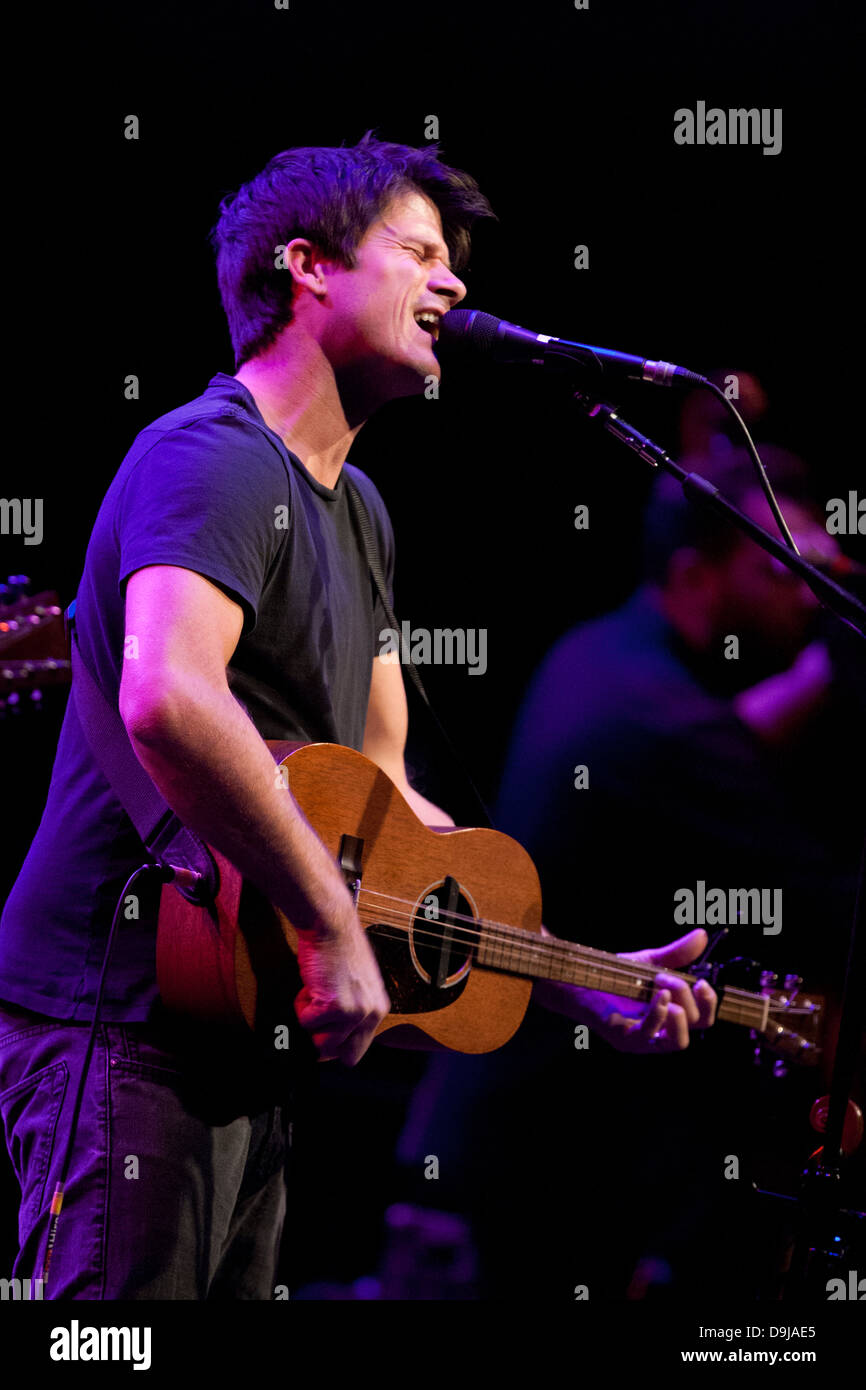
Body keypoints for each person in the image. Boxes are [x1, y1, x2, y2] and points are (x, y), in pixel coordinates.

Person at [0, 133, 716, 1301]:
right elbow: (167, 695)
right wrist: (334, 927)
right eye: (418, 252)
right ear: (307, 267)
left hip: (238, 1025)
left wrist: (569, 971)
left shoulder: (362, 512)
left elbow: (382, 800)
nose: (455, 284)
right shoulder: (208, 455)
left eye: (455, 263)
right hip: (123, 1020)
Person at [396, 446, 863, 1299]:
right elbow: (829, 896)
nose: (809, 589)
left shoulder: (604, 655)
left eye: (820, 568)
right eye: (783, 567)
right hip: (522, 1182)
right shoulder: (657, 721)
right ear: (696, 574)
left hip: (508, 1157)